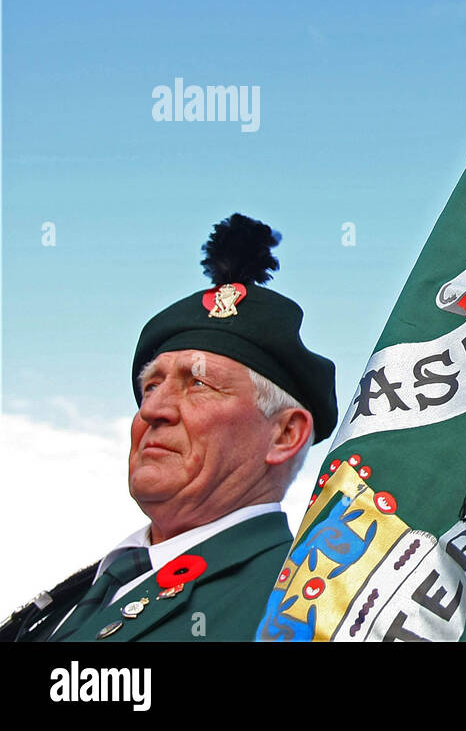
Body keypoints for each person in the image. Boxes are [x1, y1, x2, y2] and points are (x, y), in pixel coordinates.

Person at [0, 214, 337, 642]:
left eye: (198, 383)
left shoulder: (309, 604)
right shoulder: (68, 600)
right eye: (151, 386)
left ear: (285, 434)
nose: (152, 409)